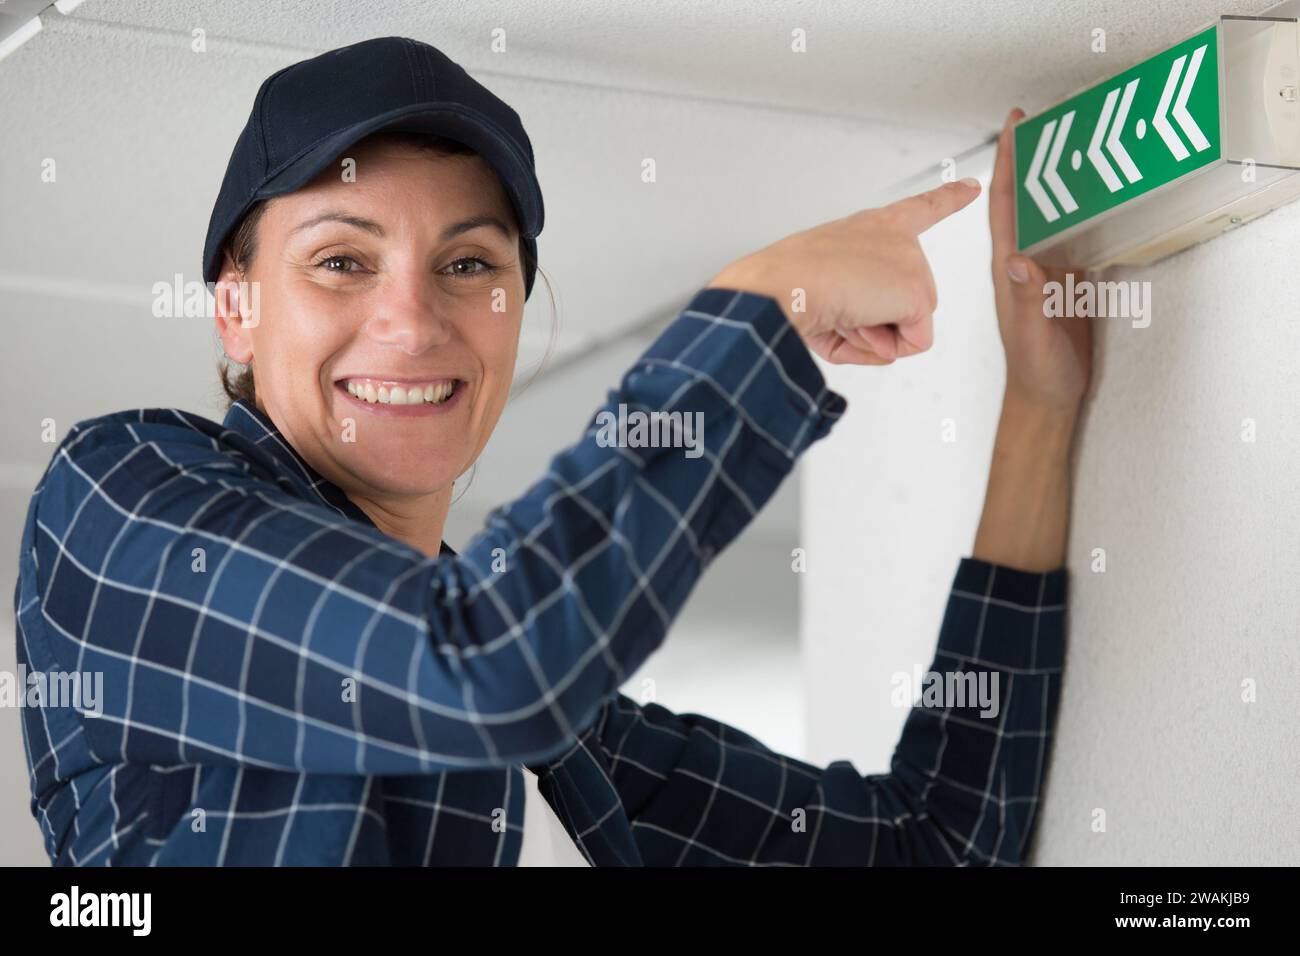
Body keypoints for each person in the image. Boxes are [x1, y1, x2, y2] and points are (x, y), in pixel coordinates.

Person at [14, 37, 1088, 866]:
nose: (412, 319)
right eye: (342, 259)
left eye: (468, 262)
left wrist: (1039, 404)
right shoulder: (119, 499)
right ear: (236, 311)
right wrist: (761, 308)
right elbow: (480, 661)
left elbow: (928, 844)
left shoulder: (559, 742)